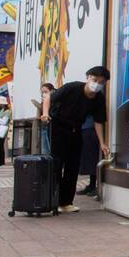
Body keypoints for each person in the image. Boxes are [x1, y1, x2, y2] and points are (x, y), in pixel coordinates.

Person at [42, 67, 110, 214]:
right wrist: (45, 114)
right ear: (87, 77)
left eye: (101, 82)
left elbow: (98, 122)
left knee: (73, 166)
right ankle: (52, 201)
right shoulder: (72, 87)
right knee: (56, 164)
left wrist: (102, 142)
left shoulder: (99, 98)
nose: (97, 84)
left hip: (76, 129)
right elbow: (48, 98)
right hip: (58, 127)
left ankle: (66, 202)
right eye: (94, 80)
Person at [31, 83, 53, 156]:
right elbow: (39, 115)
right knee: (44, 147)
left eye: (46, 92)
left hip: (51, 126)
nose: (43, 94)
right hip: (43, 125)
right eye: (42, 92)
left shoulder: (54, 101)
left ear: (52, 91)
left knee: (50, 147)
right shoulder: (43, 102)